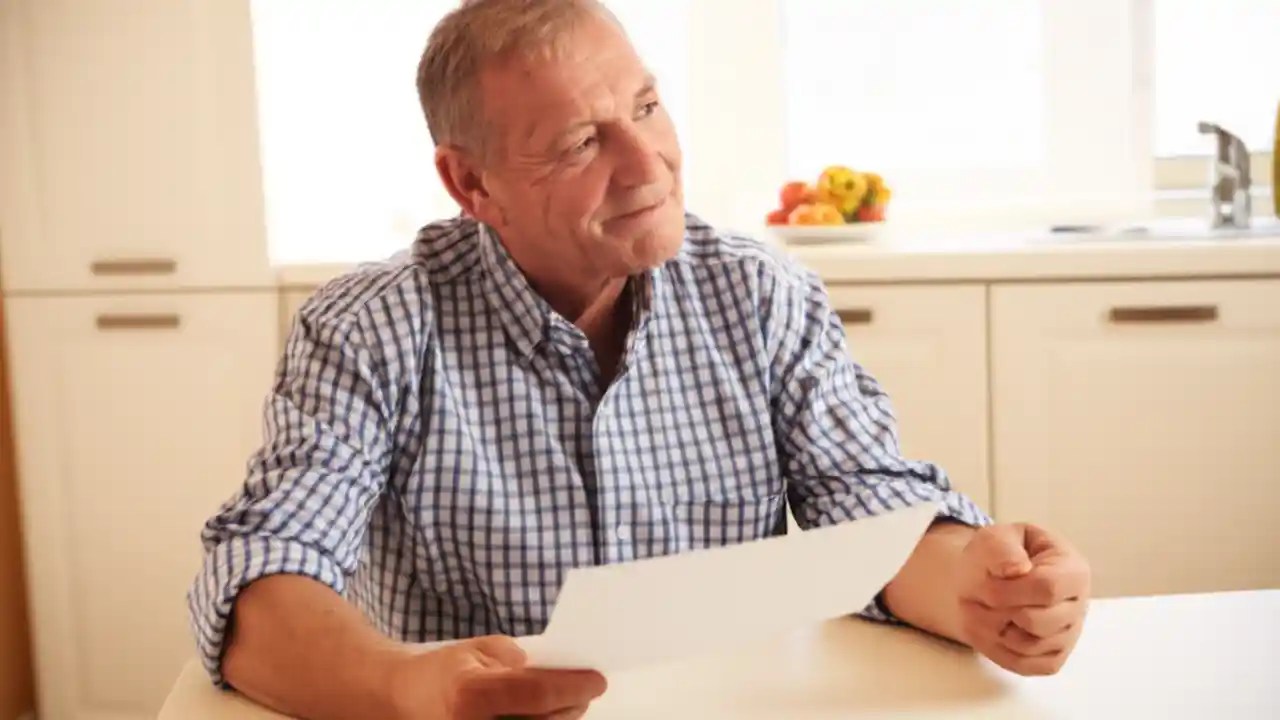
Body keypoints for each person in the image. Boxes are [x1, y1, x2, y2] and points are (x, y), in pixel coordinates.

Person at [187, 1, 1092, 718]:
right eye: (584, 142)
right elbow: (268, 573)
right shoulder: (370, 328)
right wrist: (406, 689)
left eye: (646, 107)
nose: (648, 166)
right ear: (472, 184)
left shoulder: (757, 293)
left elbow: (870, 509)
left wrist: (980, 584)